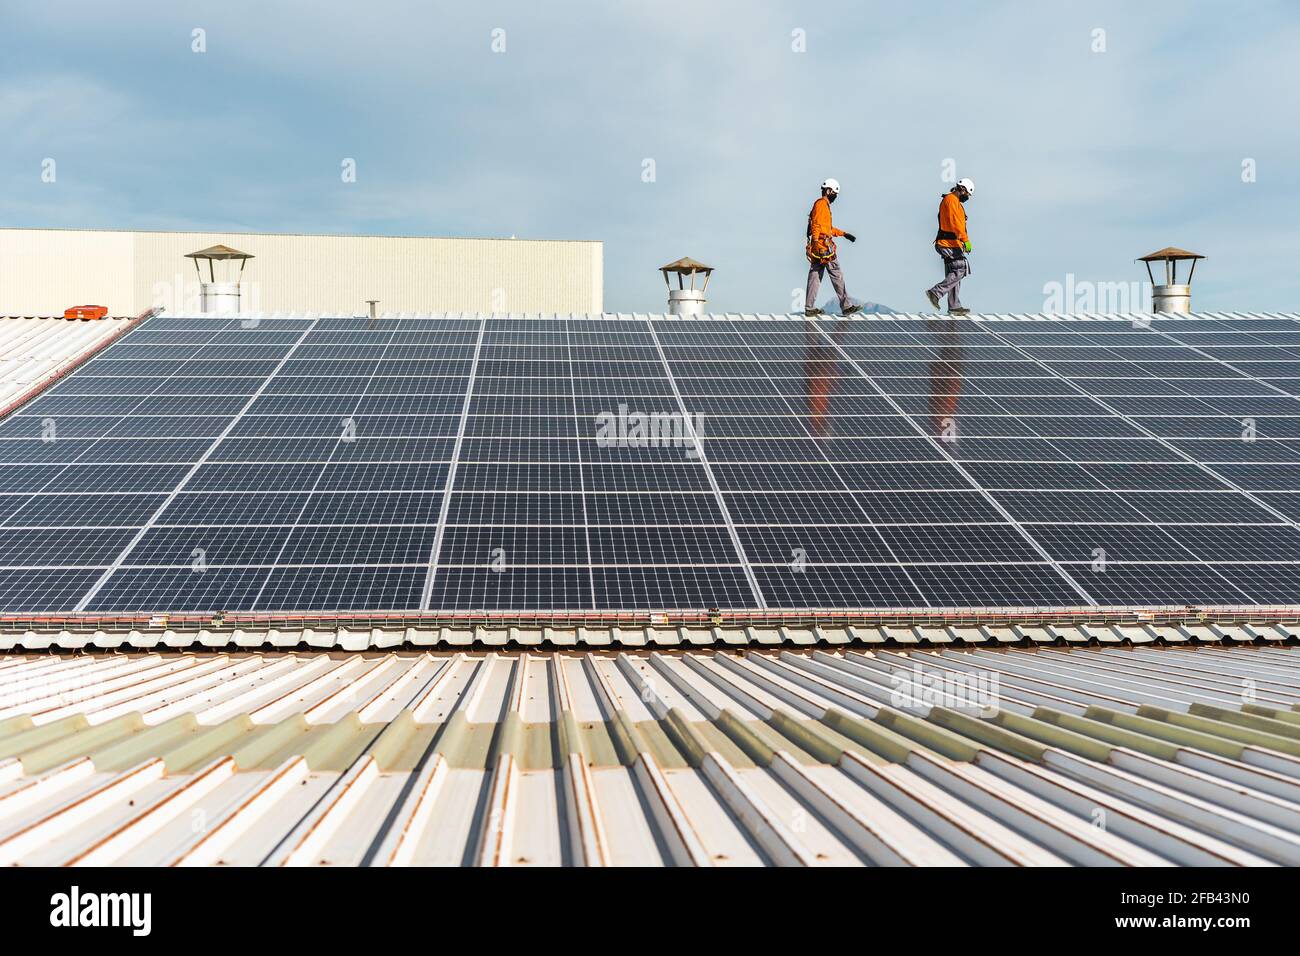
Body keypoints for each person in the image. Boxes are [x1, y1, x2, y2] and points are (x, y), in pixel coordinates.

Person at [805, 179, 862, 317]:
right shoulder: (821, 205)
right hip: (823, 248)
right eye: (835, 194)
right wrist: (818, 244)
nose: (835, 197)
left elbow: (827, 229)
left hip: (820, 246)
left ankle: (809, 307)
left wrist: (844, 234)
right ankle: (846, 306)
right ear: (829, 191)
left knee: (815, 276)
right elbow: (817, 226)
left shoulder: (822, 205)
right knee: (836, 274)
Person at [926, 177, 974, 316]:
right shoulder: (951, 201)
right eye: (968, 194)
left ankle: (954, 306)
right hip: (948, 243)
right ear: (963, 189)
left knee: (954, 272)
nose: (967, 197)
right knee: (961, 268)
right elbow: (956, 224)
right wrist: (965, 240)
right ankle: (935, 292)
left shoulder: (953, 201)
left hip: (950, 243)